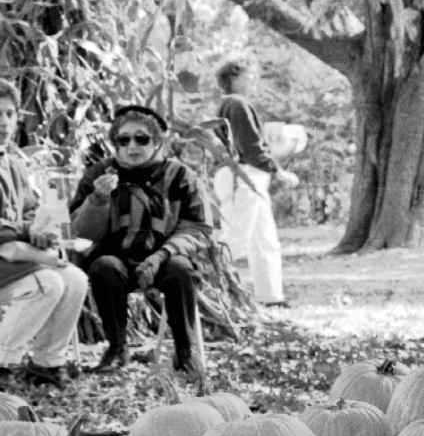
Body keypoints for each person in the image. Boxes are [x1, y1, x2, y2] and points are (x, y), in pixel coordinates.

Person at [69, 105, 212, 374]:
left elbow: (198, 229)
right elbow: (81, 234)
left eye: (141, 139)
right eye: (123, 140)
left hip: (167, 257)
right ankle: (117, 348)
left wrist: (161, 255)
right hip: (116, 259)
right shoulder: (98, 175)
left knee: (180, 270)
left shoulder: (180, 176)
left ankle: (185, 351)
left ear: (157, 142)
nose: (132, 146)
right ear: (115, 143)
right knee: (104, 267)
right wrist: (97, 200)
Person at [0, 80, 88, 387]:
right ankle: (2, 362)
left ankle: (46, 363)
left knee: (75, 279)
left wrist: (44, 228)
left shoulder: (13, 163)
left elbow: (30, 210)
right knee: (45, 283)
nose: (3, 122)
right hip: (4, 254)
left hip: (11, 255)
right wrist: (27, 229)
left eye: (9, 114)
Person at [211, 60, 296, 308]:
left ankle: (271, 296)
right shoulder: (236, 103)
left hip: (250, 175)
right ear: (235, 77)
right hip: (243, 174)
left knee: (264, 238)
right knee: (235, 236)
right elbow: (250, 145)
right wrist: (277, 171)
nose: (254, 81)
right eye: (250, 76)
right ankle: (211, 291)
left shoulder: (232, 104)